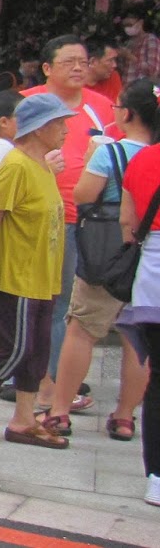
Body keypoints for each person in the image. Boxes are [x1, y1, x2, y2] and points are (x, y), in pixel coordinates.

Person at [0, 93, 75, 451]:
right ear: (39, 128)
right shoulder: (16, 165)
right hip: (17, 278)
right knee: (11, 349)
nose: (65, 130)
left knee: (37, 352)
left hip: (43, 278)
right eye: (58, 123)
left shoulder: (42, 166)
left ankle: (24, 420)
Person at [41, 78, 153, 441]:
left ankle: (59, 412)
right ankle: (124, 417)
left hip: (106, 253)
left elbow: (84, 195)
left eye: (118, 107)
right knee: (137, 339)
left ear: (129, 114)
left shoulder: (112, 152)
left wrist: (91, 159)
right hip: (148, 258)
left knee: (82, 329)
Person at [22, 35, 121, 407]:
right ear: (47, 68)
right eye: (68, 62)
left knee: (70, 303)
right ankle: (34, 377)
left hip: (89, 219)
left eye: (83, 61)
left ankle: (60, 380)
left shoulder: (103, 107)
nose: (79, 68)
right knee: (39, 298)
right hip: (41, 214)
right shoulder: (27, 103)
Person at [115, 129, 160, 506]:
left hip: (151, 282)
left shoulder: (142, 160)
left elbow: (128, 224)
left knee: (158, 380)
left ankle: (157, 477)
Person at [121, 3, 160, 83]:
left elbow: (153, 71)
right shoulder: (127, 43)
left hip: (143, 92)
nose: (127, 28)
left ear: (141, 22)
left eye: (130, 24)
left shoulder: (151, 40)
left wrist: (131, 57)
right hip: (127, 91)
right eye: (125, 25)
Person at [85, 36, 123, 104]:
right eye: (110, 60)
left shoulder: (113, 76)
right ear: (93, 62)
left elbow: (119, 109)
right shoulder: (74, 86)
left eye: (115, 60)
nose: (115, 65)